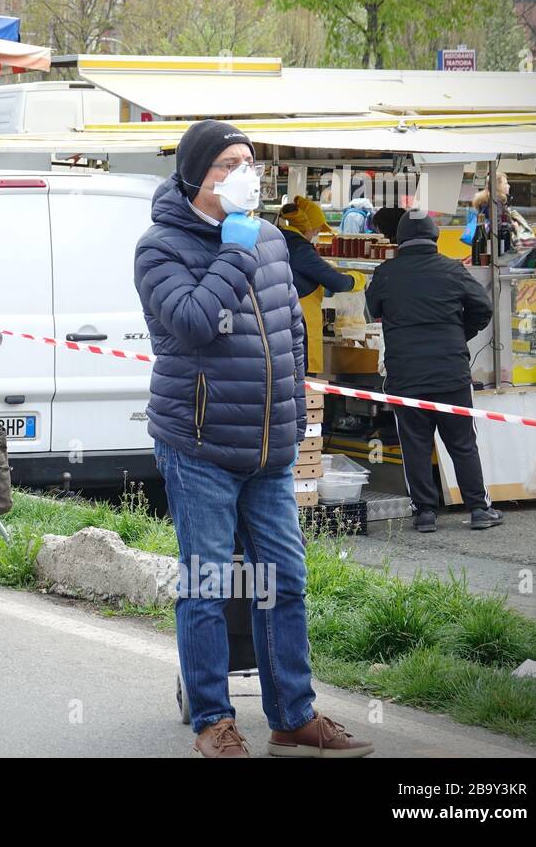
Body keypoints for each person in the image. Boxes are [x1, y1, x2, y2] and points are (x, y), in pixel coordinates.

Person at [134, 119, 373, 758]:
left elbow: (291, 332)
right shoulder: (161, 246)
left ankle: (293, 716)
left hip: (269, 445)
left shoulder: (269, 237)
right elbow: (192, 325)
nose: (247, 174)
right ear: (194, 176)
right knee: (208, 585)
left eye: (250, 162)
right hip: (201, 444)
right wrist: (233, 253)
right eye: (229, 165)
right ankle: (213, 720)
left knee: (284, 580)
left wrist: (295, 415)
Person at [365, 212, 501, 532]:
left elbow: (371, 311)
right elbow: (483, 307)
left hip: (405, 375)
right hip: (450, 372)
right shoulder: (453, 270)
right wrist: (459, 334)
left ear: (399, 241)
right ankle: (479, 509)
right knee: (462, 442)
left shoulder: (386, 273)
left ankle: (425, 512)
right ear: (435, 238)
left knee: (415, 444)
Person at [277, 194, 361, 375]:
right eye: (316, 229)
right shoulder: (299, 248)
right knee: (304, 384)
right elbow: (337, 282)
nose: (316, 234)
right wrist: (358, 279)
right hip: (300, 327)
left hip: (281, 327)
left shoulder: (278, 240)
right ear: (306, 227)